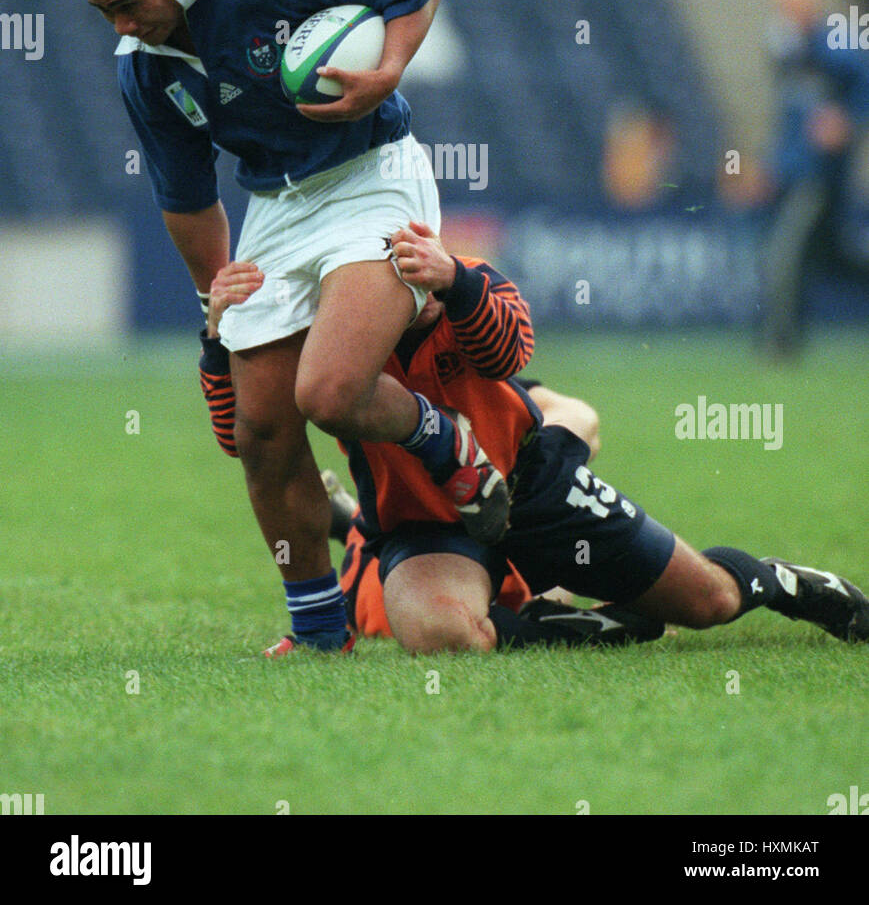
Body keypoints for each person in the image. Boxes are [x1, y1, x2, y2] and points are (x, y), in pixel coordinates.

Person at [70, 0, 510, 653]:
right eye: (102, 12)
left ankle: (449, 447)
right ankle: (316, 630)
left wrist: (387, 74)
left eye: (126, 5)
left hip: (372, 177)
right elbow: (185, 195)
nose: (119, 25)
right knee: (263, 429)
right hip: (275, 206)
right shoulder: (140, 68)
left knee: (329, 393)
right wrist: (218, 295)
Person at [202, 226, 869, 654]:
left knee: (711, 604)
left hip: (530, 487)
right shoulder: (322, 338)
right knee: (439, 636)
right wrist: (220, 340)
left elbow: (508, 353)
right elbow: (251, 443)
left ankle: (786, 585)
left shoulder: (454, 277)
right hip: (427, 526)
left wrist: (455, 284)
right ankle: (581, 627)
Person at [763, 0, 869, 357]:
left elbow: (864, 86)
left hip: (819, 176)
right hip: (794, 171)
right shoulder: (788, 51)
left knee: (784, 252)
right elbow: (789, 117)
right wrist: (772, 163)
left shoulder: (833, 47)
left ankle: (780, 343)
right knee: (837, 259)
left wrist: (847, 119)